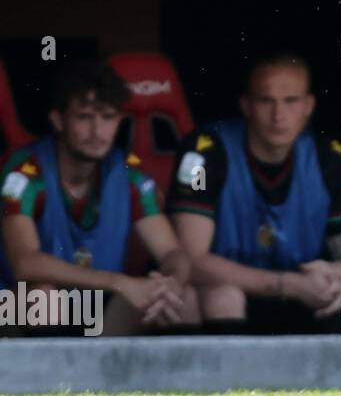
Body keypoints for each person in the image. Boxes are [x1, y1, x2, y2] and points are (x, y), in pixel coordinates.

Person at [167, 54, 341, 334]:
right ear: (246, 105)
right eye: (266, 101)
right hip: (234, 303)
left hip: (311, 302)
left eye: (290, 101)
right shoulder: (207, 151)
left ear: (308, 106)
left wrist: (339, 275)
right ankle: (235, 380)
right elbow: (191, 260)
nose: (278, 115)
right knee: (222, 296)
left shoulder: (327, 157)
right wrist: (288, 285)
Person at [0, 59, 197, 335]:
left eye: (107, 117)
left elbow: (172, 252)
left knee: (183, 299)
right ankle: (54, 380)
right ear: (58, 120)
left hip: (97, 301)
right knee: (42, 298)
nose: (97, 132)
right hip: (13, 307)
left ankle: (108, 379)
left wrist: (172, 282)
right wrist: (120, 282)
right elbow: (25, 263)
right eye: (84, 117)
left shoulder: (128, 172)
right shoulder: (25, 171)